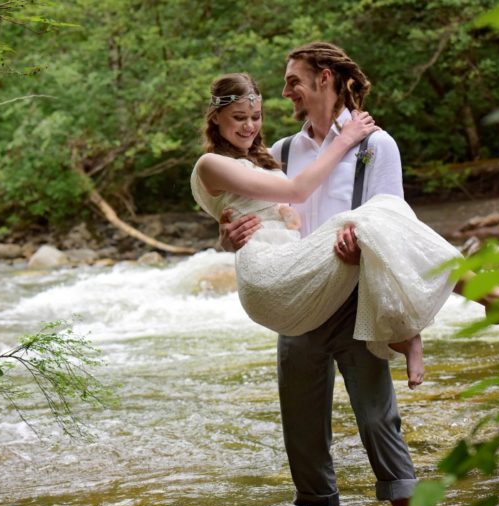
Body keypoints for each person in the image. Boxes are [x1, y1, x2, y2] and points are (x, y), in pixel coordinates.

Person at [213, 43, 499, 506]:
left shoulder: (376, 144)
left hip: (356, 298)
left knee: (378, 425)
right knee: (304, 439)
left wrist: (359, 259)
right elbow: (257, 219)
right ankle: (487, 296)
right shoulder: (280, 152)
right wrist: (231, 237)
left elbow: (399, 230)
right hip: (299, 298)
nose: (286, 91)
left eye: (294, 80)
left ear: (324, 79)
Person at [192, 72, 459, 387]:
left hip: (301, 264)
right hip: (271, 275)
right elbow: (297, 192)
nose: (249, 126)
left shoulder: (264, 160)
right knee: (369, 217)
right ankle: (480, 299)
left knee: (378, 219)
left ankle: (402, 332)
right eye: (239, 117)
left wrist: (239, 233)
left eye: (256, 116)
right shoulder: (210, 163)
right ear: (216, 116)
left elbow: (281, 215)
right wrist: (345, 139)